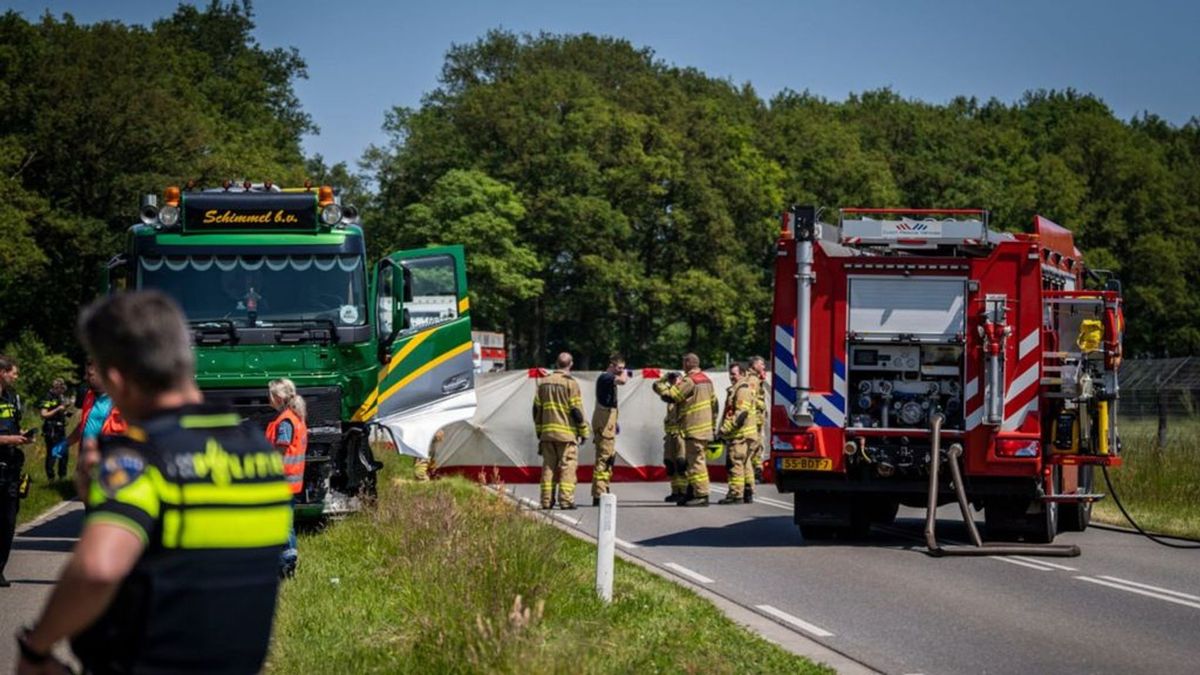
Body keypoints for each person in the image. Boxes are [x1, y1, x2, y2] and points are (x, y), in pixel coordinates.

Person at [17, 291, 290, 673]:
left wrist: (36, 649)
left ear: (116, 379)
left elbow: (98, 569)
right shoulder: (259, 453)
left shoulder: (141, 459)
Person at [658, 353, 718, 507]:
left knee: (696, 463)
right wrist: (712, 426)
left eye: (683, 363)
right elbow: (714, 405)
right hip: (704, 429)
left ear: (687, 363)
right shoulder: (707, 380)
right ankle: (691, 493)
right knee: (692, 463)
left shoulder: (690, 380)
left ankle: (702, 495)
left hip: (693, 428)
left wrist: (660, 386)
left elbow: (672, 396)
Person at [532, 352, 589, 510]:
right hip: (566, 435)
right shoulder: (571, 384)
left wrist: (539, 431)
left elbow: (536, 409)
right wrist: (583, 431)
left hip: (547, 434)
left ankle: (546, 500)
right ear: (571, 364)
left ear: (556, 364)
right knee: (567, 467)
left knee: (548, 467)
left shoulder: (543, 382)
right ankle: (566, 500)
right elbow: (576, 410)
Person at [266, 377, 307, 578]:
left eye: (270, 395)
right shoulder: (293, 417)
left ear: (279, 398)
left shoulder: (285, 421)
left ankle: (287, 564)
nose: (268, 399)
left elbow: (281, 449)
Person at [0, 356, 34, 588]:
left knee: (8, 521)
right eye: (13, 372)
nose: (16, 376)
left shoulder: (12, 398)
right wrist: (10, 439)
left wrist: (21, 435)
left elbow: (12, 426)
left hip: (11, 468)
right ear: (2, 372)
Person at [590, 354, 629, 505]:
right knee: (604, 458)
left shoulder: (608, 378)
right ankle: (599, 493)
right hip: (605, 422)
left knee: (608, 457)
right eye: (619, 368)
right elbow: (623, 381)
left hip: (608, 421)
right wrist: (625, 373)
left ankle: (602, 489)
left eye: (623, 368)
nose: (621, 371)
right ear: (611, 365)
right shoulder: (606, 377)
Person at [718, 362, 758, 505]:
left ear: (742, 374)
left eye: (734, 374)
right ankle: (748, 491)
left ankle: (736, 494)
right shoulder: (739, 388)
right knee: (745, 463)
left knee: (735, 463)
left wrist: (724, 430)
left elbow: (740, 414)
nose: (731, 377)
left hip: (740, 435)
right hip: (746, 435)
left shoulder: (742, 390)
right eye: (730, 374)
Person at [652, 372, 687, 503]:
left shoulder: (685, 390)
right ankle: (675, 491)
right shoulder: (670, 392)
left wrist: (679, 382)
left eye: (675, 378)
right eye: (671, 379)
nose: (673, 381)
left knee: (682, 463)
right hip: (670, 435)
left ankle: (684, 491)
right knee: (670, 464)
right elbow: (656, 386)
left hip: (681, 434)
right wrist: (666, 377)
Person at [39, 378, 72, 480]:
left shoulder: (60, 397)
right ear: (56, 388)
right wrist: (58, 409)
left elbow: (60, 410)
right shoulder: (48, 397)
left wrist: (66, 412)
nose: (62, 391)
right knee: (52, 454)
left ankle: (62, 477)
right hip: (51, 429)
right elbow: (43, 414)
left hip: (61, 428)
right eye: (61, 389)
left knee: (64, 453)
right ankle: (51, 477)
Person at [746, 355, 769, 496]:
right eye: (762, 364)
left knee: (758, 446)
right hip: (754, 420)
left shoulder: (757, 379)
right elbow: (751, 398)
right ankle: (754, 474)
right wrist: (762, 405)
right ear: (754, 365)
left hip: (758, 420)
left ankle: (757, 472)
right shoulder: (752, 380)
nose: (764, 367)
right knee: (754, 446)